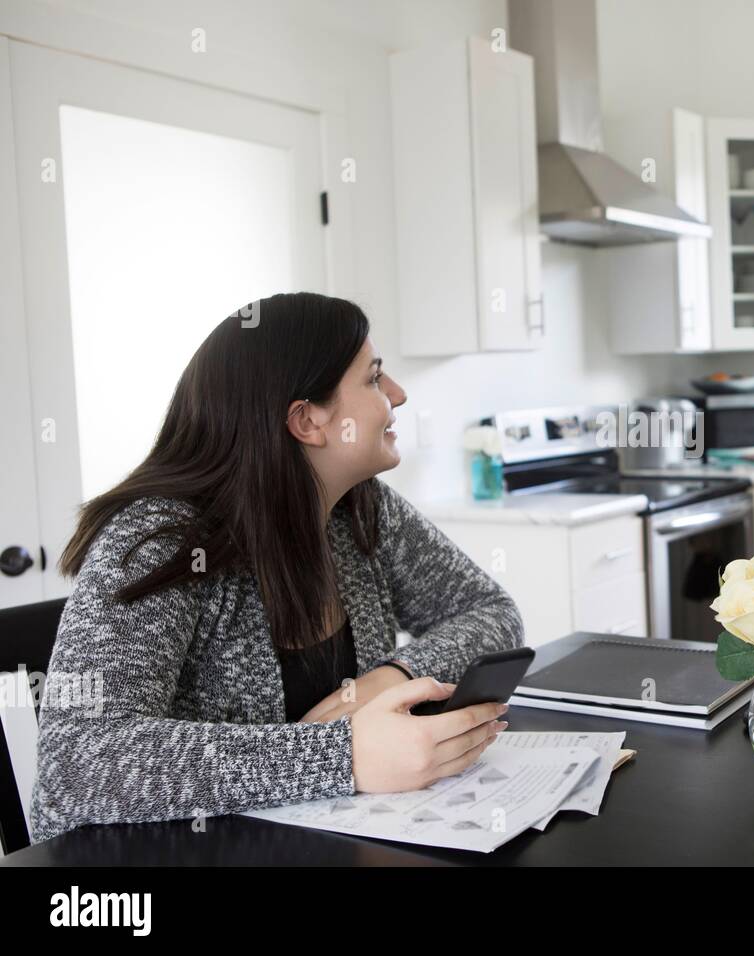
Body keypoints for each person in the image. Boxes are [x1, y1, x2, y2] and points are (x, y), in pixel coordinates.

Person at [30, 292, 523, 842]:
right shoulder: (156, 539)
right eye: (374, 378)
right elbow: (78, 759)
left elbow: (491, 612)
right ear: (307, 420)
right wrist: (345, 756)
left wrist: (389, 679)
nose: (398, 395)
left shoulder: (361, 508)